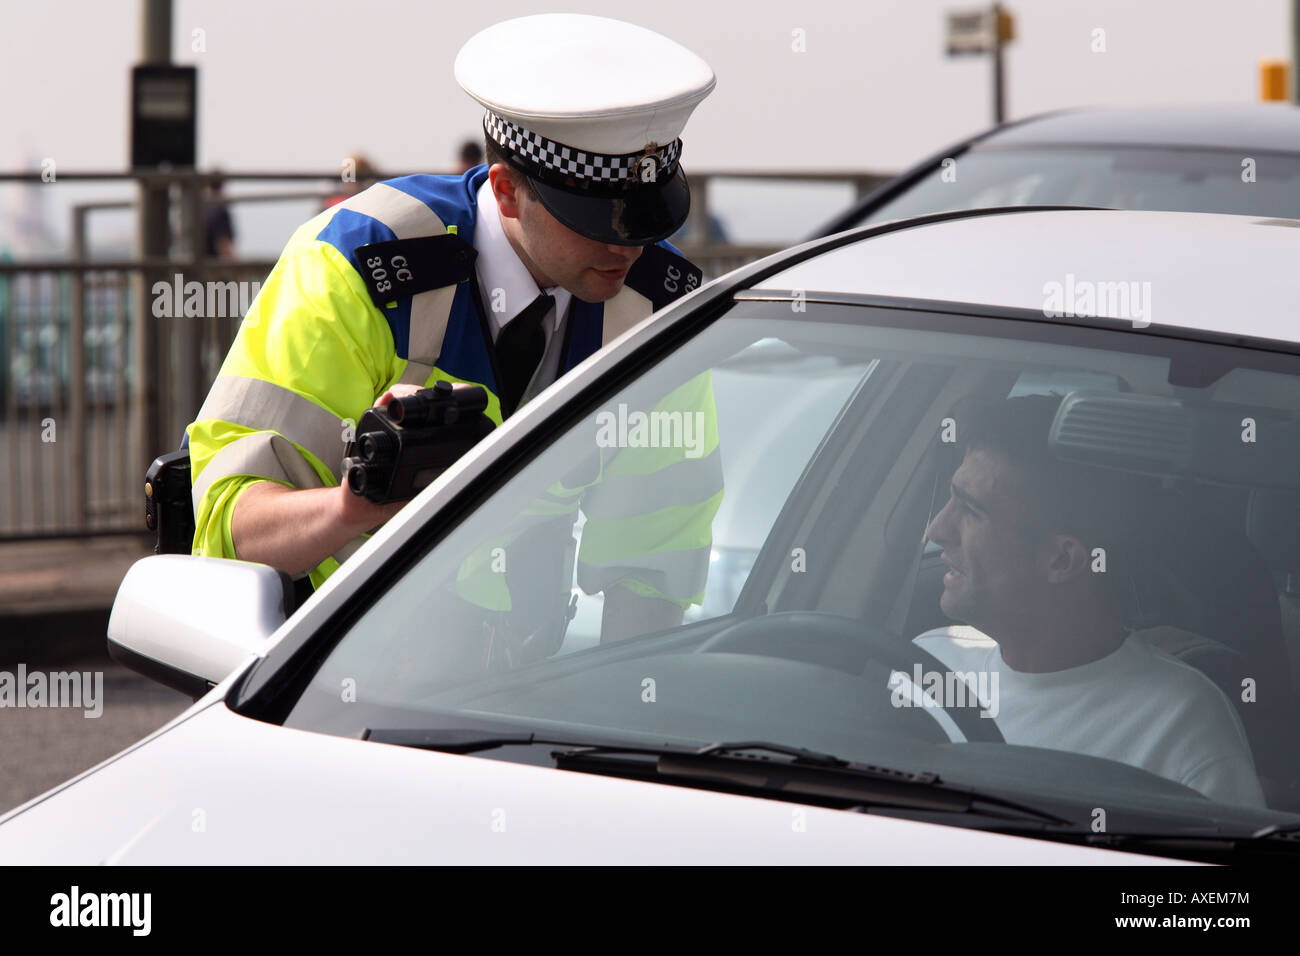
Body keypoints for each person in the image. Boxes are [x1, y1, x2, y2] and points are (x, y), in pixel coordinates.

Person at [187, 14, 720, 638]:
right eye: (599, 221)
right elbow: (231, 529)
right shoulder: (353, 269)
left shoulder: (656, 307)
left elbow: (653, 559)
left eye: (646, 219)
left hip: (520, 689)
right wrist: (353, 507)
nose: (629, 248)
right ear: (507, 190)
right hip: (329, 674)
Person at [912, 394, 1265, 806]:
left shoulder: (1181, 727)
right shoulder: (926, 663)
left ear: (1062, 560)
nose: (936, 529)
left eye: (970, 510)